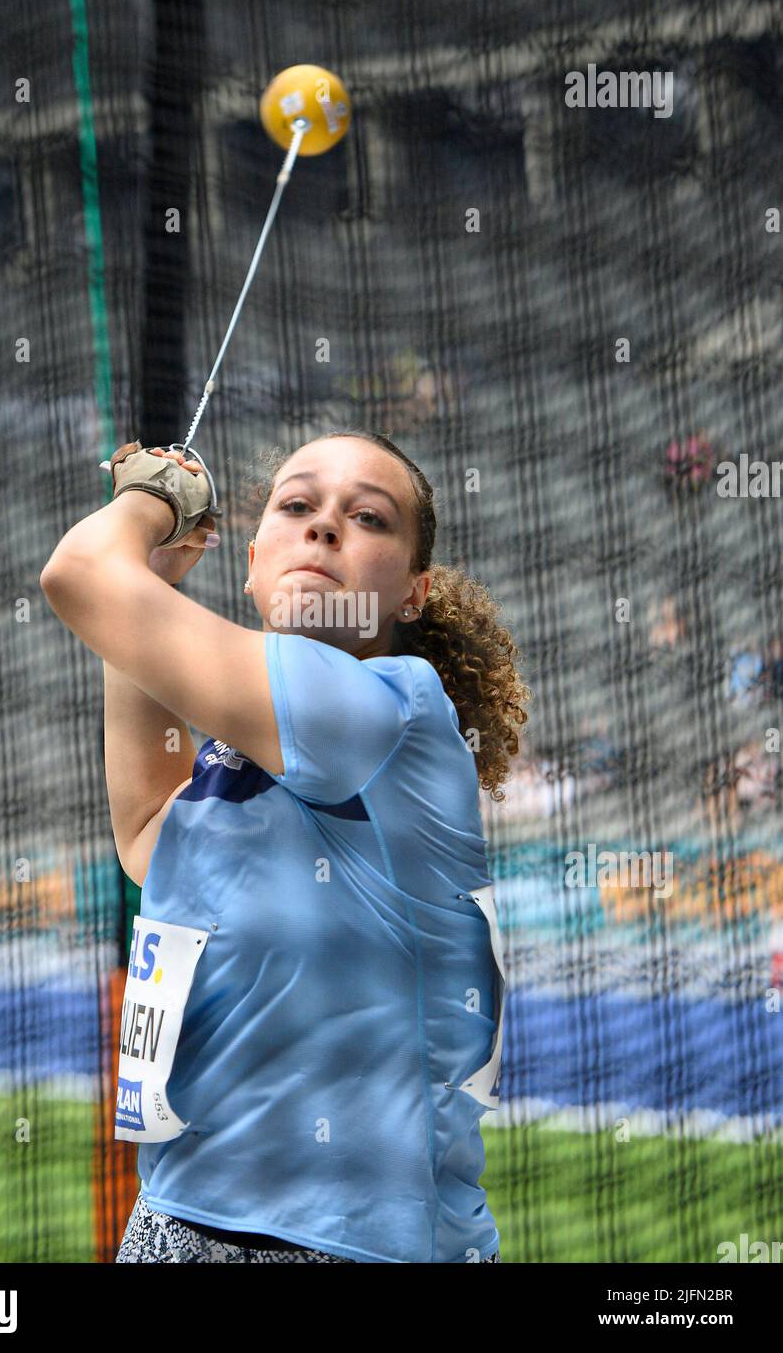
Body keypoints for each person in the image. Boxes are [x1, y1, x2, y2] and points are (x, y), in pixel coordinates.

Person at [40, 429, 529, 1263]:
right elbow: (151, 836)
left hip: (347, 1248)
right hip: (175, 1219)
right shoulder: (238, 759)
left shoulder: (387, 706)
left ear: (411, 594)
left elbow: (77, 576)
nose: (325, 525)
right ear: (253, 562)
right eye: (296, 506)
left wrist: (148, 501)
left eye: (367, 517)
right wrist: (150, 585)